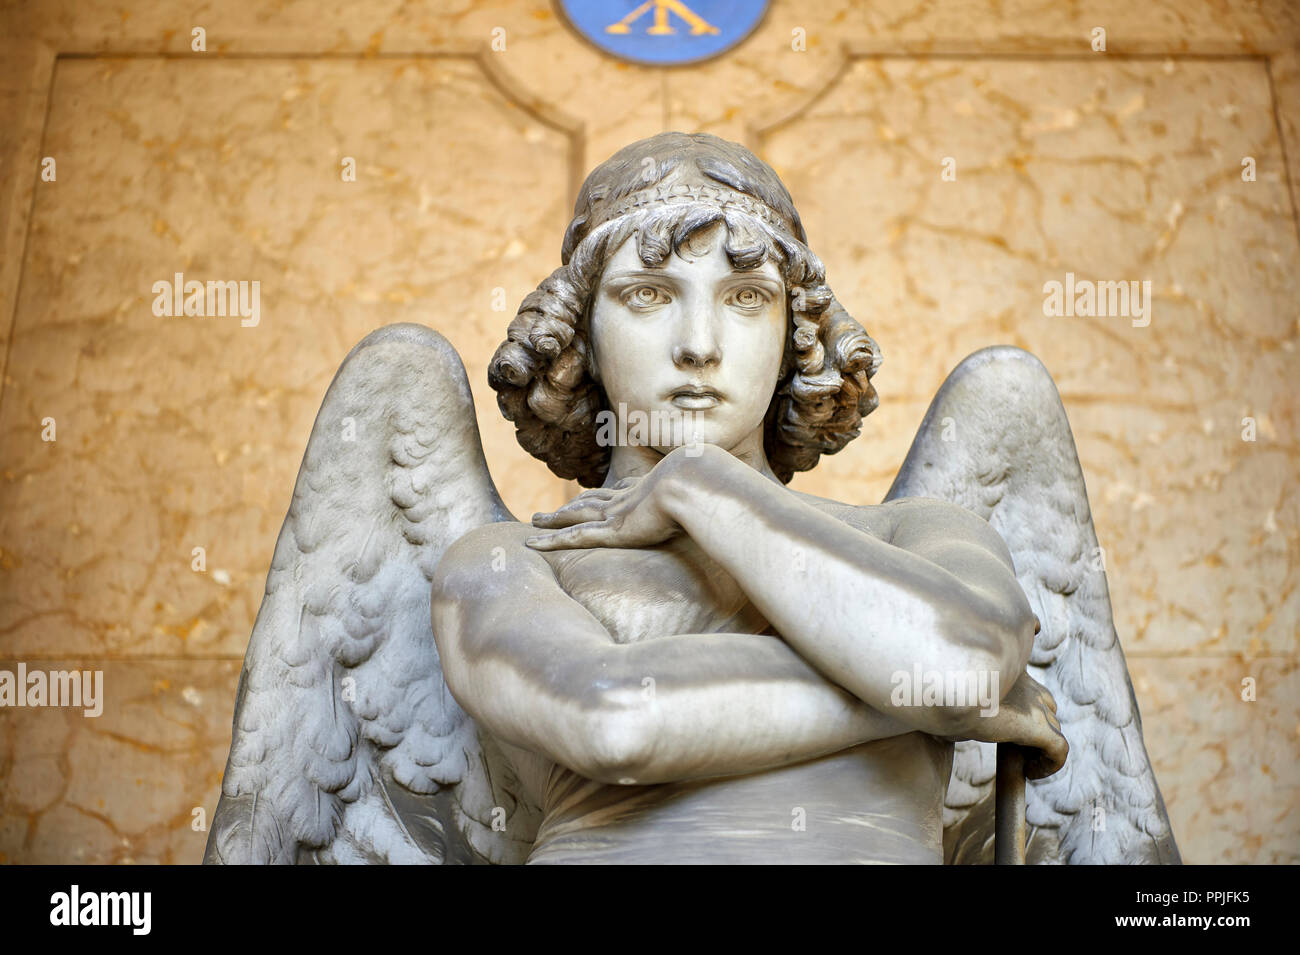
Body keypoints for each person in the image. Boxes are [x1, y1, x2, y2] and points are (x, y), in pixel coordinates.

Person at [430, 132, 1065, 864]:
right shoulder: (510, 559)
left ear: (797, 331)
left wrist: (701, 484)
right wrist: (938, 692)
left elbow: (966, 664)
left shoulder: (919, 532)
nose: (698, 344)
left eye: (746, 297)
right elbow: (616, 723)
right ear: (580, 339)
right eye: (647, 294)